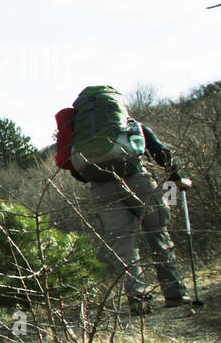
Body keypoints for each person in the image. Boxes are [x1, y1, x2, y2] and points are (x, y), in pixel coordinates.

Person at [81, 116, 188, 314]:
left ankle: (138, 302)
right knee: (158, 233)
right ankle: (175, 294)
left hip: (101, 189)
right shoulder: (130, 126)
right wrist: (177, 179)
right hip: (138, 180)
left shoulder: (82, 134)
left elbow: (76, 170)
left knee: (123, 244)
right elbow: (161, 152)